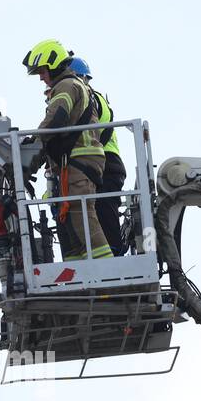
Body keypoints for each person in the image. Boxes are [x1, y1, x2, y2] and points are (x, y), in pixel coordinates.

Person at [21, 39, 111, 260]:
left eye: (42, 71)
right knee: (72, 231)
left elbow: (55, 120)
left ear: (53, 65)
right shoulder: (71, 85)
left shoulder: (66, 86)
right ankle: (84, 278)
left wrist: (29, 148)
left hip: (79, 164)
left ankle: (112, 281)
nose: (41, 77)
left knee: (83, 221)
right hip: (75, 165)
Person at [70, 57, 127, 255]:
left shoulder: (91, 99)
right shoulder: (89, 99)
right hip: (99, 161)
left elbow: (90, 134)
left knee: (104, 210)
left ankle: (114, 255)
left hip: (107, 162)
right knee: (96, 211)